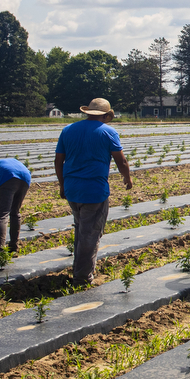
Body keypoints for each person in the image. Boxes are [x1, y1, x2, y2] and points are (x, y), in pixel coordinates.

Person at [54, 98, 132, 285]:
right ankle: (82, 277)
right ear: (105, 115)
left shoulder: (68, 130)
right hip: (94, 190)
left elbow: (58, 161)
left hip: (72, 189)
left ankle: (79, 268)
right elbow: (121, 161)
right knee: (90, 234)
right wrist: (127, 177)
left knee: (81, 228)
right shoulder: (108, 132)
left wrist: (62, 185)